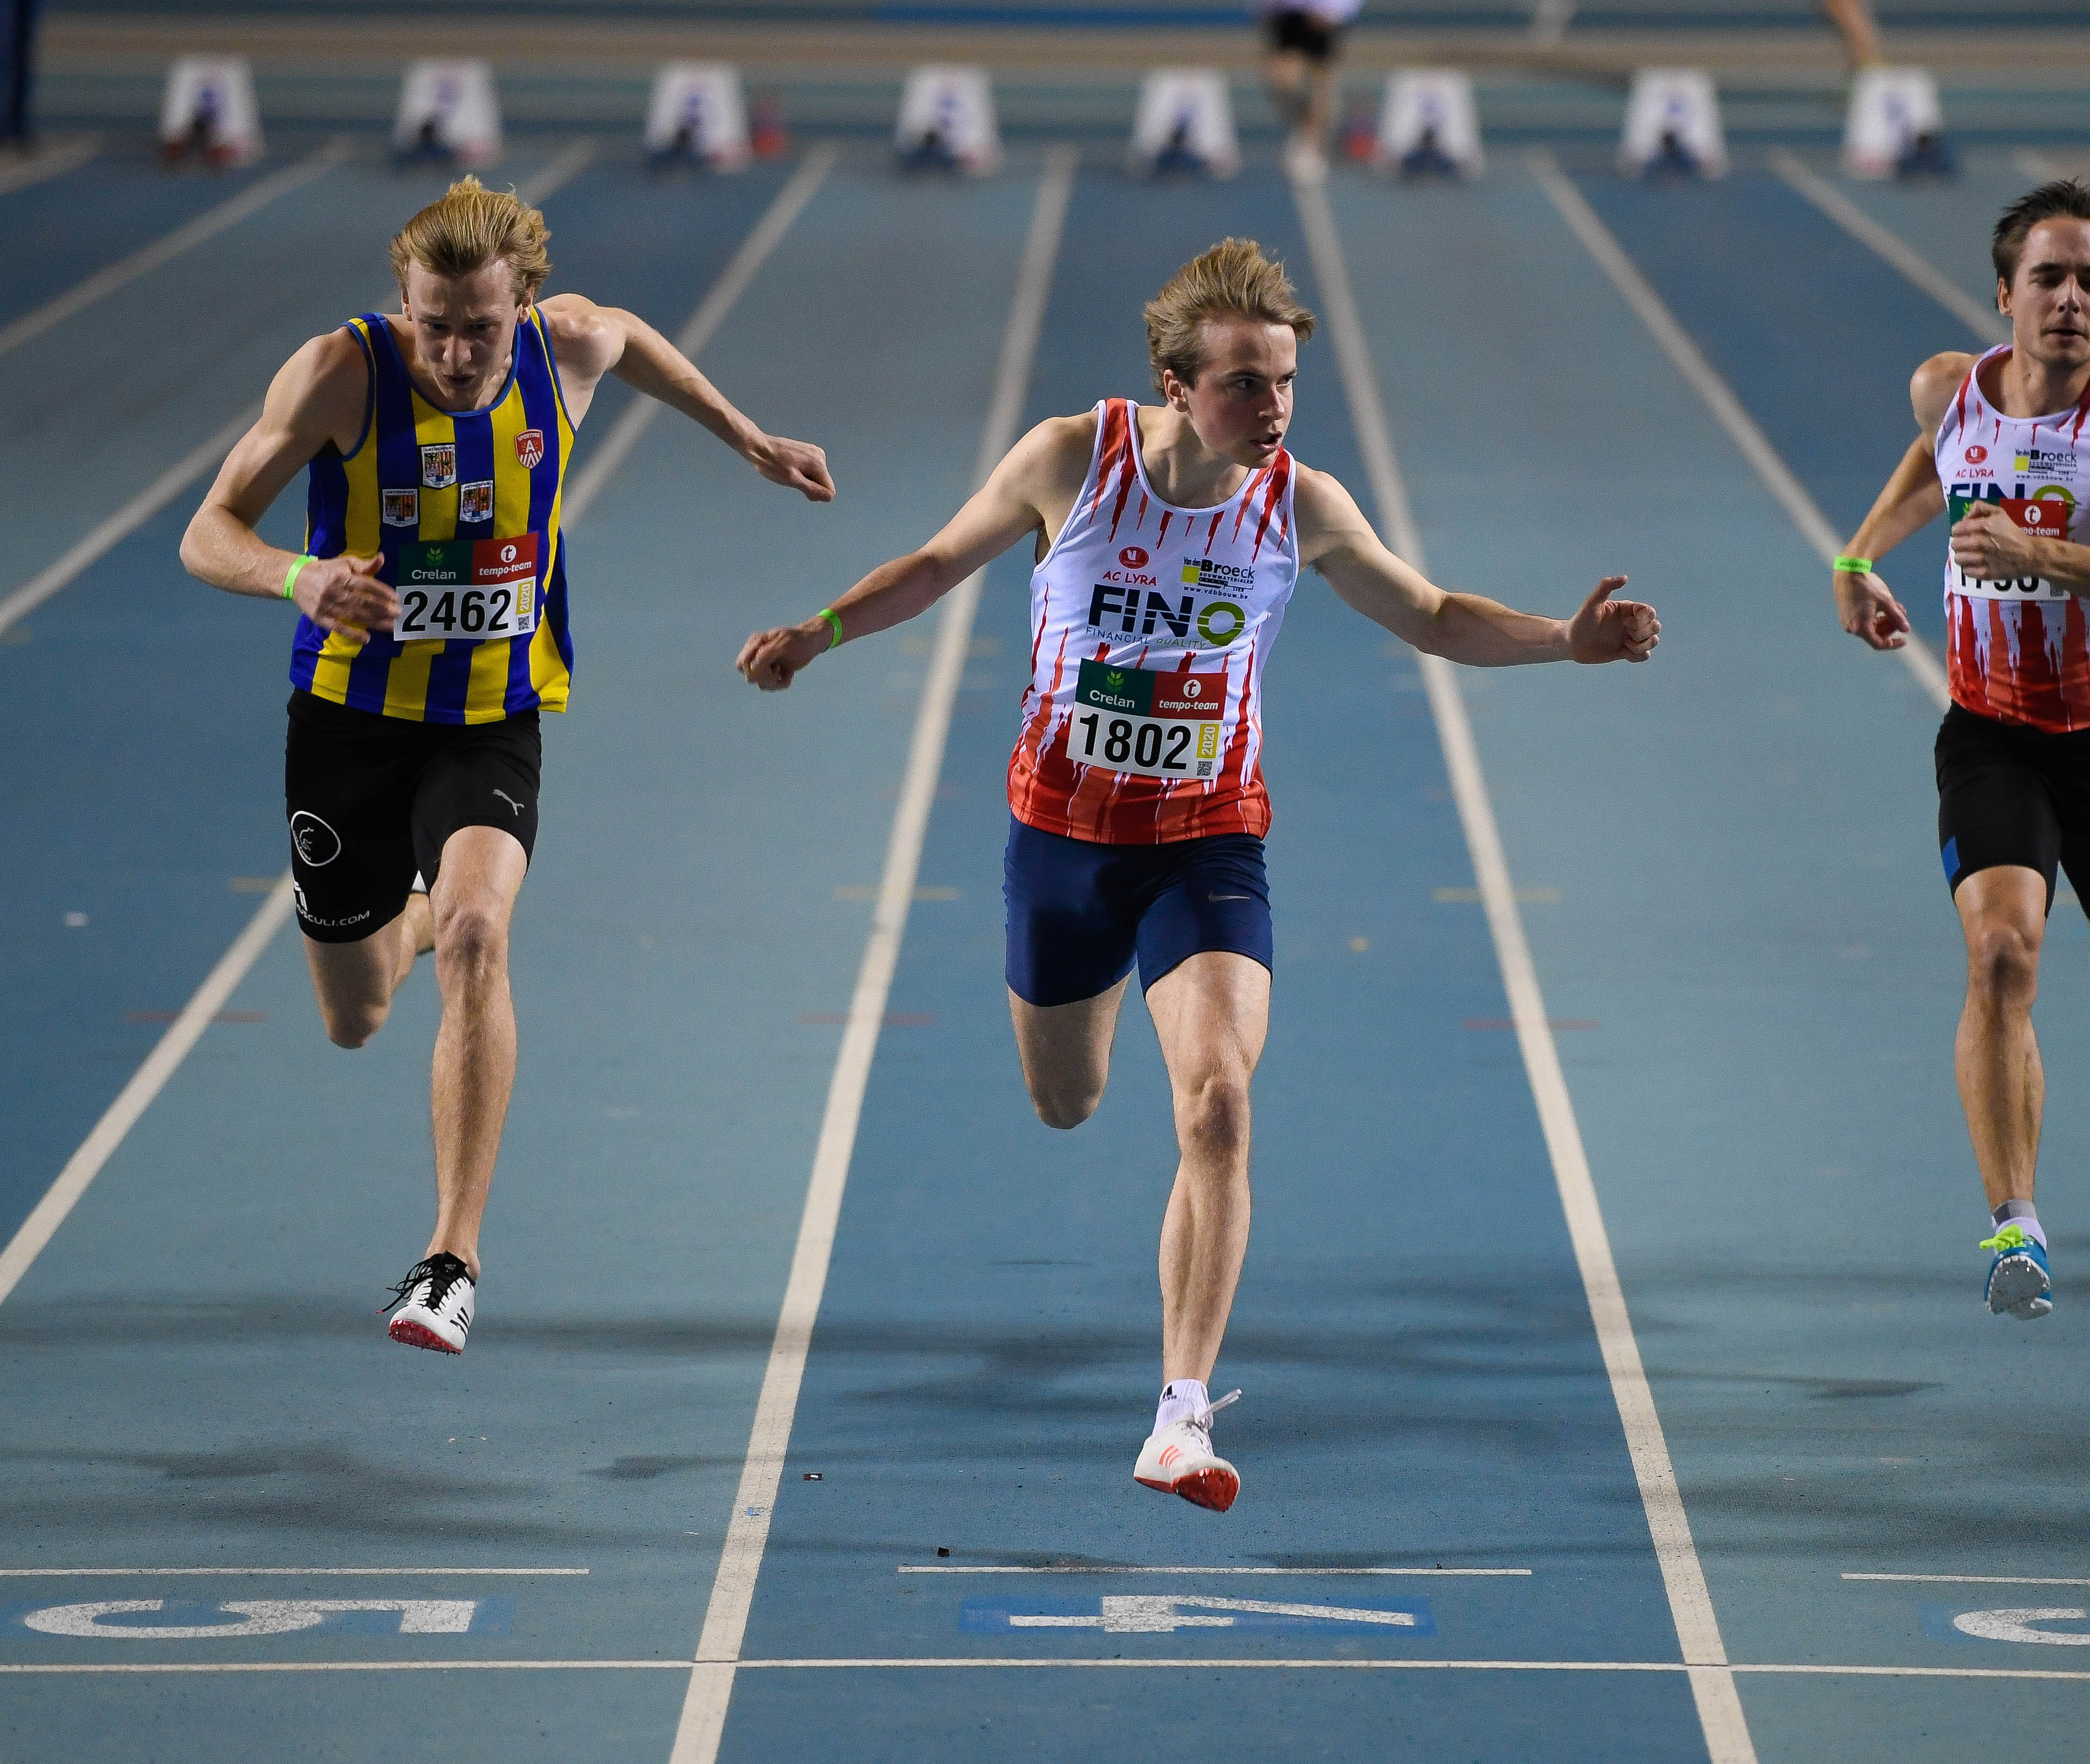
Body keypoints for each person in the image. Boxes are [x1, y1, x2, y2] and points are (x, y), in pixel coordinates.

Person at [736, 238, 1657, 1509]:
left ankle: (1180, 1415)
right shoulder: (1071, 458)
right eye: (1245, 386)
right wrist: (817, 635)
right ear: (1175, 383)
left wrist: (1567, 642)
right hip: (1059, 842)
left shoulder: (1299, 501)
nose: (1272, 410)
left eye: (1285, 383)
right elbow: (937, 565)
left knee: (1216, 1100)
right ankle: (1103, 998)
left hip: (1207, 844)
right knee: (1065, 1100)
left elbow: (1433, 613)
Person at [179, 176, 832, 1353]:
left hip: (493, 713)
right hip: (348, 721)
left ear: (523, 303)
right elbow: (205, 530)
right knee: (357, 1009)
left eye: (481, 325)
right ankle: (411, 911)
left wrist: (750, 439)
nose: (458, 351)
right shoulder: (337, 373)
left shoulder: (563, 347)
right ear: (404, 300)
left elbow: (635, 343)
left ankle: (450, 1259)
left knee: (482, 934)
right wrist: (299, 576)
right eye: (434, 323)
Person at [1828, 180, 2090, 1322]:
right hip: (1993, 730)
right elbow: (1930, 462)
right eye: (2045, 278)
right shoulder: (1950, 390)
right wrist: (1856, 561)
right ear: (2003, 293)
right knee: (2000, 955)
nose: (2066, 299)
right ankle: (2017, 1227)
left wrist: (2042, 555)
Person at [1258, 0, 1360, 180]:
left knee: (1321, 83)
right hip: (1286, 13)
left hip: (1324, 14)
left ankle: (1310, 145)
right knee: (1281, 79)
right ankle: (1304, 128)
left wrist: (1333, 10)